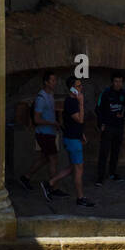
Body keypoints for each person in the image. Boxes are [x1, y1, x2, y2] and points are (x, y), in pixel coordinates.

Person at [44, 75, 92, 207]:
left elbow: (74, 123)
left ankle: (50, 183)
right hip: (72, 141)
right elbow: (80, 119)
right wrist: (81, 102)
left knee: (72, 167)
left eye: (81, 85)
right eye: (78, 86)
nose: (81, 88)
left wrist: (81, 133)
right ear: (72, 89)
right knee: (78, 168)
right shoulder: (71, 102)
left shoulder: (73, 101)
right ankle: (80, 198)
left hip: (74, 137)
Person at [19, 70, 63, 192]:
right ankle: (53, 188)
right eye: (53, 80)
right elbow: (37, 119)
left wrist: (55, 123)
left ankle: (25, 177)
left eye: (55, 80)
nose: (55, 82)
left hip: (49, 133)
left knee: (45, 158)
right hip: (44, 133)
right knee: (53, 159)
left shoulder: (51, 95)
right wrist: (52, 123)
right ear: (46, 82)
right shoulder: (41, 98)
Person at [95, 71, 125, 185]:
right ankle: (100, 177)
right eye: (116, 81)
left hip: (119, 127)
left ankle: (112, 173)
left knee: (116, 151)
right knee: (104, 152)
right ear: (112, 82)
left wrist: (123, 115)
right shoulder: (105, 93)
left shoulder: (124, 94)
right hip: (108, 127)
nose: (118, 83)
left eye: (120, 81)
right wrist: (101, 124)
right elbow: (98, 109)